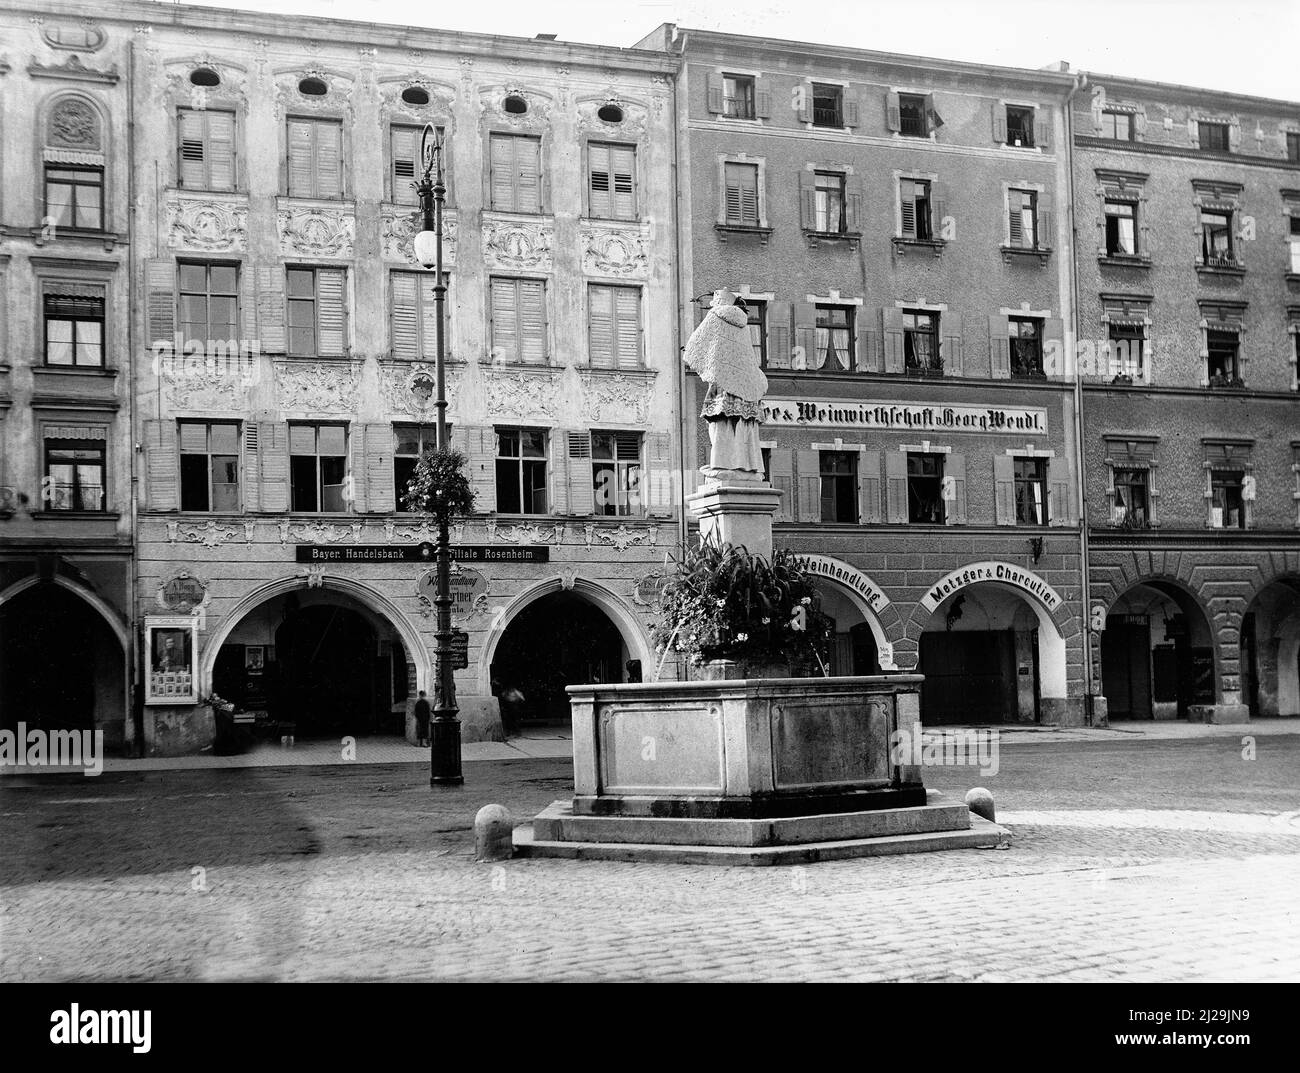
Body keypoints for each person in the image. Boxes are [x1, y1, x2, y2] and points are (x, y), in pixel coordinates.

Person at [682, 289, 768, 480]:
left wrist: (695, 356)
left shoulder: (715, 316)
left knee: (720, 425)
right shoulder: (744, 325)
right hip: (747, 384)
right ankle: (748, 467)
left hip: (723, 382)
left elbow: (695, 346)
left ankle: (723, 464)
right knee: (746, 426)